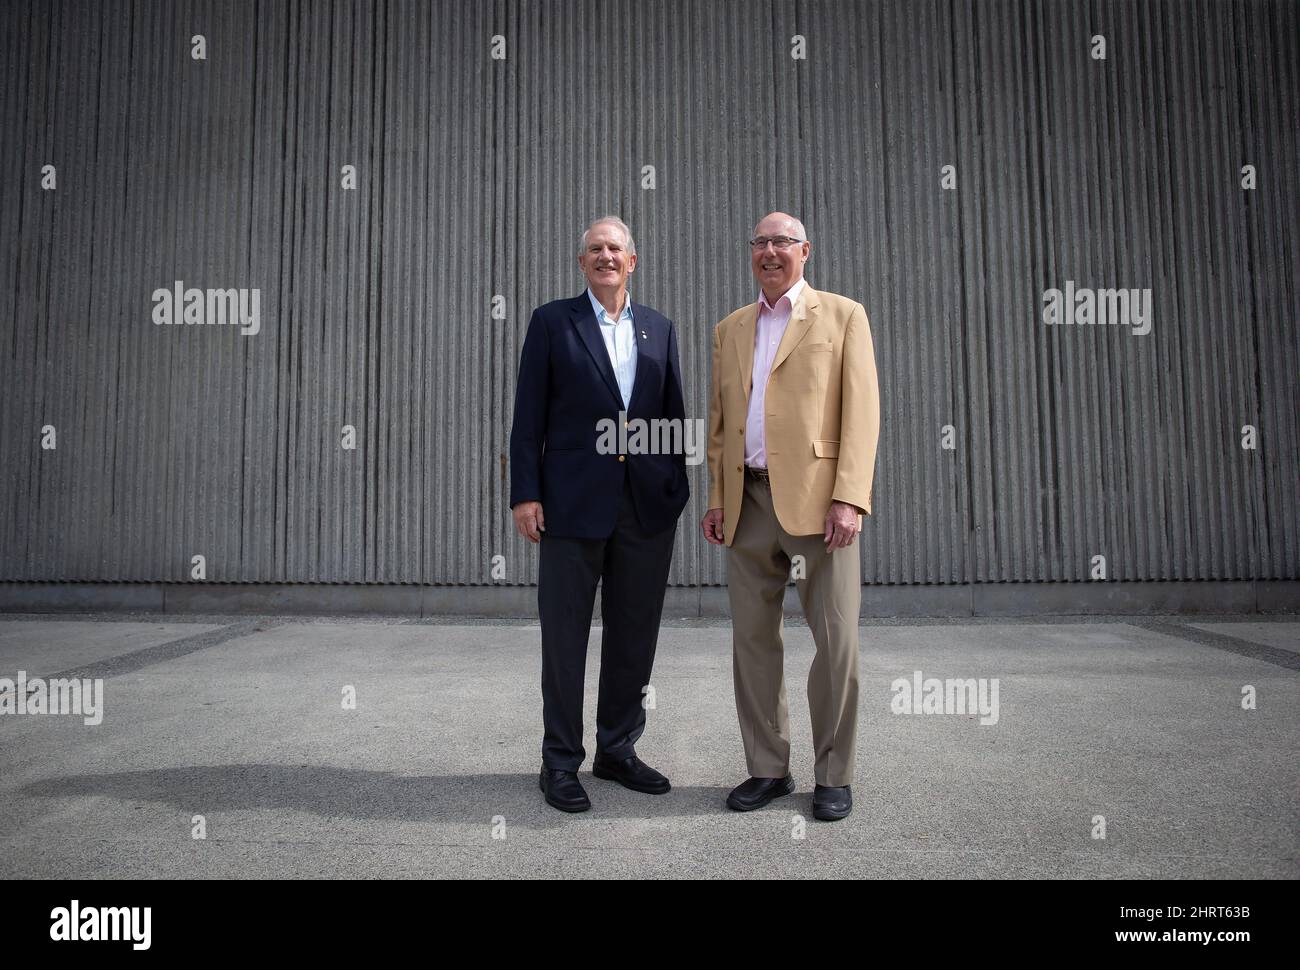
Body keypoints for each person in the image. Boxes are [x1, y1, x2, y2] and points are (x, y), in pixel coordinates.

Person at [703, 211, 881, 821]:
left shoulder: (841, 315)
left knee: (835, 642)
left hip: (819, 502)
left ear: (806, 250)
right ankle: (767, 768)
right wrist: (718, 499)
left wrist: (850, 496)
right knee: (752, 641)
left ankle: (834, 774)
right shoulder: (730, 328)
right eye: (760, 242)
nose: (770, 251)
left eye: (782, 241)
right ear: (751, 252)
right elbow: (721, 425)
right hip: (747, 503)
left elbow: (862, 413)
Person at [510, 216, 689, 813]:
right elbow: (527, 418)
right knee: (564, 639)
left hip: (643, 509)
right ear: (582, 262)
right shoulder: (552, 322)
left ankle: (617, 749)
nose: (605, 256)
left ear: (632, 262)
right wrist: (525, 494)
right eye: (595, 249)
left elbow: (670, 417)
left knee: (634, 636)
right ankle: (560, 762)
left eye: (615, 249)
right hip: (570, 506)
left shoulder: (659, 328)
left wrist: (673, 490)